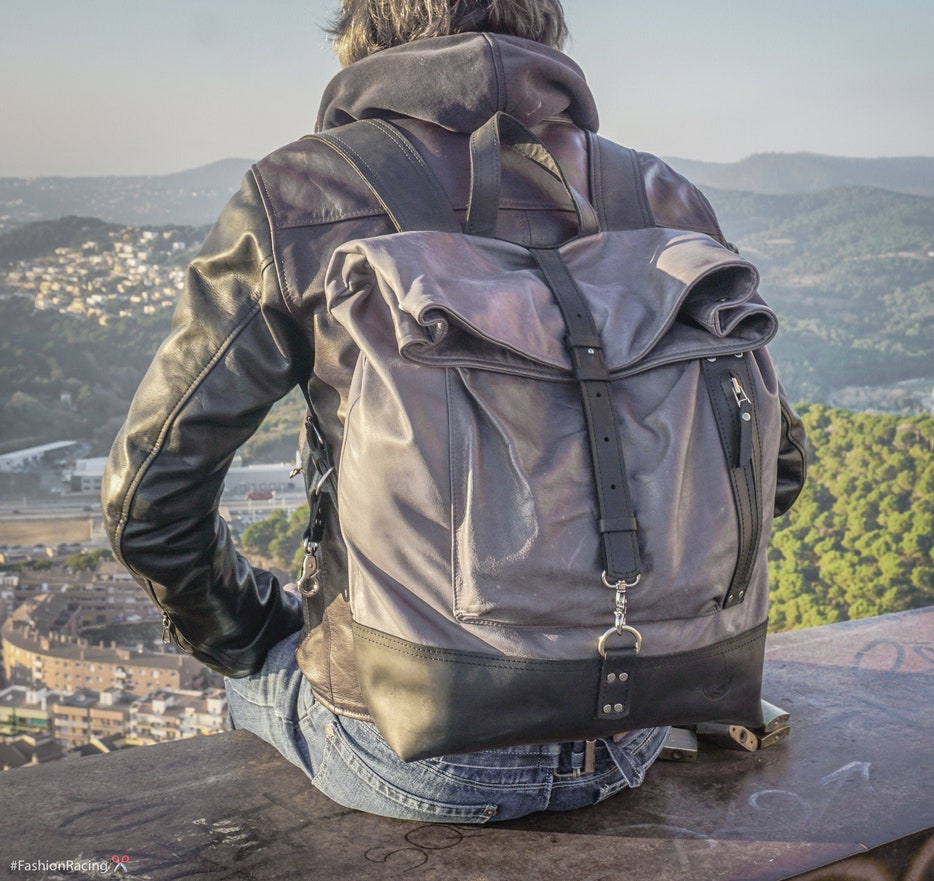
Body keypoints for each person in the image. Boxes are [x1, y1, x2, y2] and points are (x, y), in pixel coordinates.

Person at [102, 0, 750, 823]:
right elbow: (770, 466)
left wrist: (256, 633)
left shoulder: (302, 193)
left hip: (402, 750)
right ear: (544, 31)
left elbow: (147, 500)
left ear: (362, 35)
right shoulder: (659, 195)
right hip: (633, 728)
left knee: (248, 689)